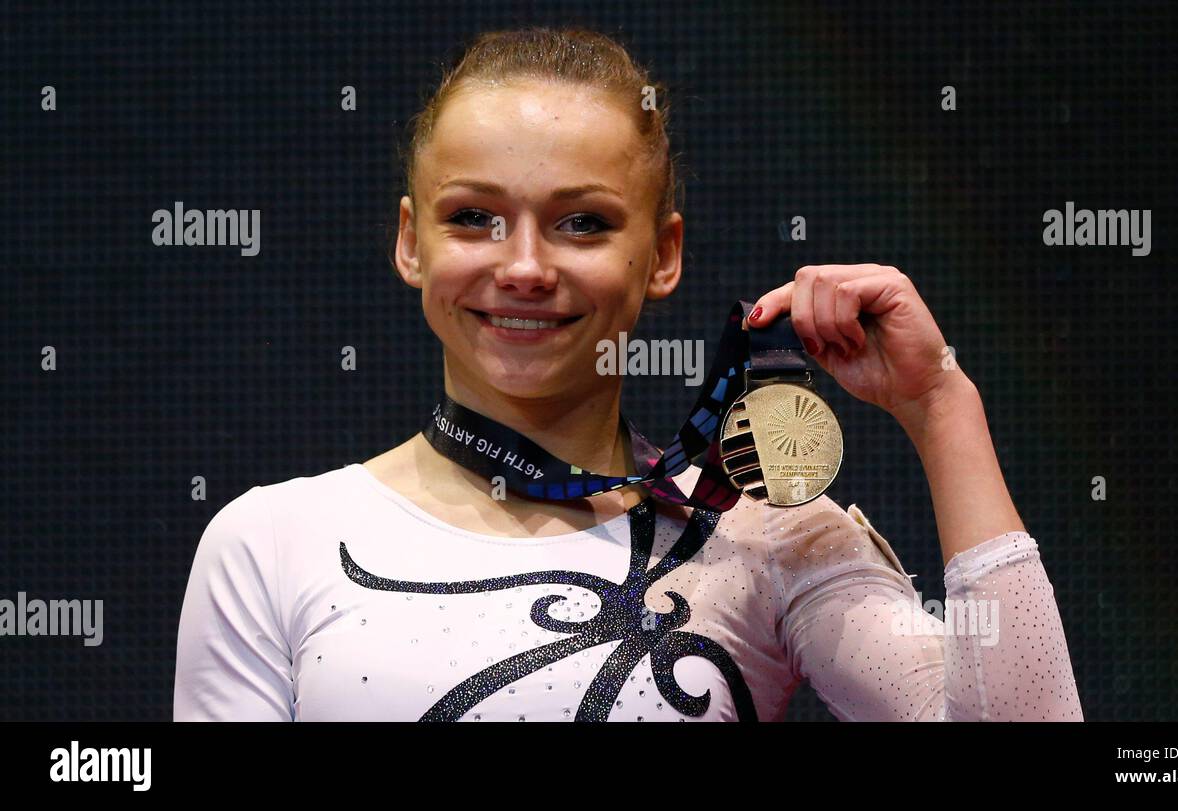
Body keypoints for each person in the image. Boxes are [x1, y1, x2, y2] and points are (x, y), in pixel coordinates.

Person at [173, 26, 1083, 722]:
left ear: (663, 254)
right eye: (474, 217)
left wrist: (939, 405)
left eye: (582, 224)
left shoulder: (764, 538)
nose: (524, 265)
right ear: (411, 242)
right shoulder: (271, 542)